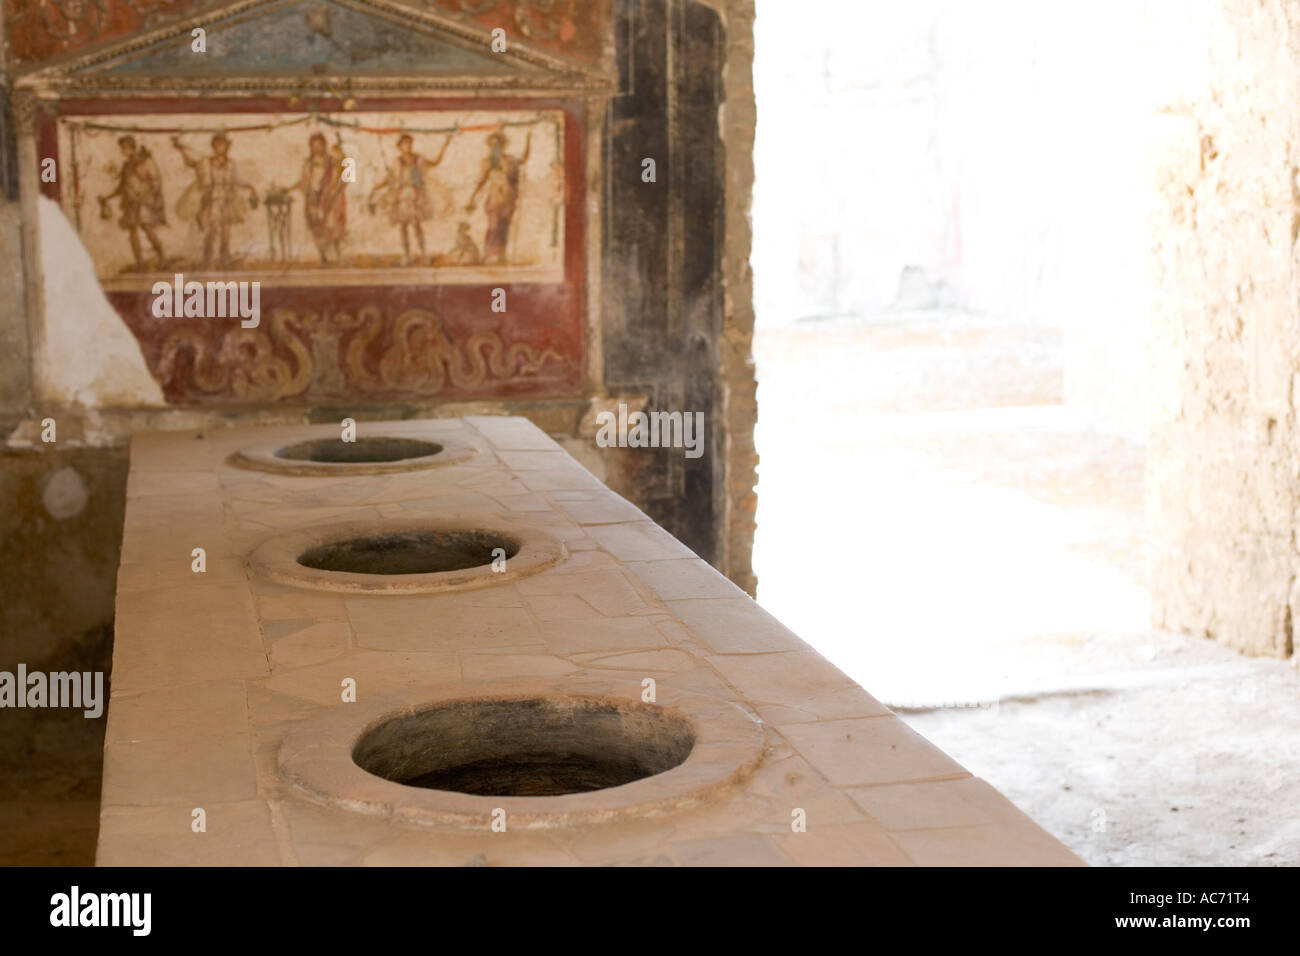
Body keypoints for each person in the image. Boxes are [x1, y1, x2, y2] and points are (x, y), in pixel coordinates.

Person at [172, 133, 258, 268]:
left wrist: (250, 187)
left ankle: (224, 259)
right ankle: (207, 259)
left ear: (227, 147)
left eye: (223, 145)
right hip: (211, 201)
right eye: (217, 145)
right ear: (213, 146)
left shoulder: (230, 164)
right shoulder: (206, 162)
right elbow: (191, 163)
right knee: (211, 232)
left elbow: (236, 180)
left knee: (225, 232)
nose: (220, 148)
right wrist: (181, 150)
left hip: (227, 201)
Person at [368, 132, 454, 266]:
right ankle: (407, 255)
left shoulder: (418, 159)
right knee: (403, 227)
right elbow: (391, 178)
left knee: (417, 225)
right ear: (400, 147)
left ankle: (423, 253)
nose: (408, 146)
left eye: (410, 143)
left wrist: (445, 144)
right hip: (402, 196)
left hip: (415, 196)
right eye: (405, 144)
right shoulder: (397, 162)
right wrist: (377, 187)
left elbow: (435, 162)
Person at [98, 136, 167, 271]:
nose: (121, 151)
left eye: (123, 148)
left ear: (130, 148)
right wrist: (107, 198)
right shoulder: (126, 166)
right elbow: (122, 187)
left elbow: (156, 183)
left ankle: (162, 256)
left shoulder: (147, 162)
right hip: (130, 203)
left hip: (143, 202)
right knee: (133, 232)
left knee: (147, 229)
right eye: (121, 148)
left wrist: (144, 195)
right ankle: (139, 263)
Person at [466, 129, 530, 264]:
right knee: (493, 226)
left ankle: (502, 255)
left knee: (504, 226)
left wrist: (528, 140)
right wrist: (472, 198)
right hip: (495, 198)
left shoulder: (510, 160)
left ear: (503, 145)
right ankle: (487, 254)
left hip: (509, 198)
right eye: (492, 145)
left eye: (498, 145)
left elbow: (523, 159)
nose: (495, 148)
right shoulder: (488, 162)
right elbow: (481, 181)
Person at [291, 132, 348, 265]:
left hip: (328, 198)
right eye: (314, 145)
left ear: (324, 146)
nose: (317, 148)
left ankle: (339, 256)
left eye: (319, 145)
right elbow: (304, 181)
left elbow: (340, 178)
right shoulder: (308, 164)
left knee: (333, 227)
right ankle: (323, 257)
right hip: (313, 198)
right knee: (317, 228)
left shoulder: (332, 162)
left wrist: (333, 191)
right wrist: (290, 189)